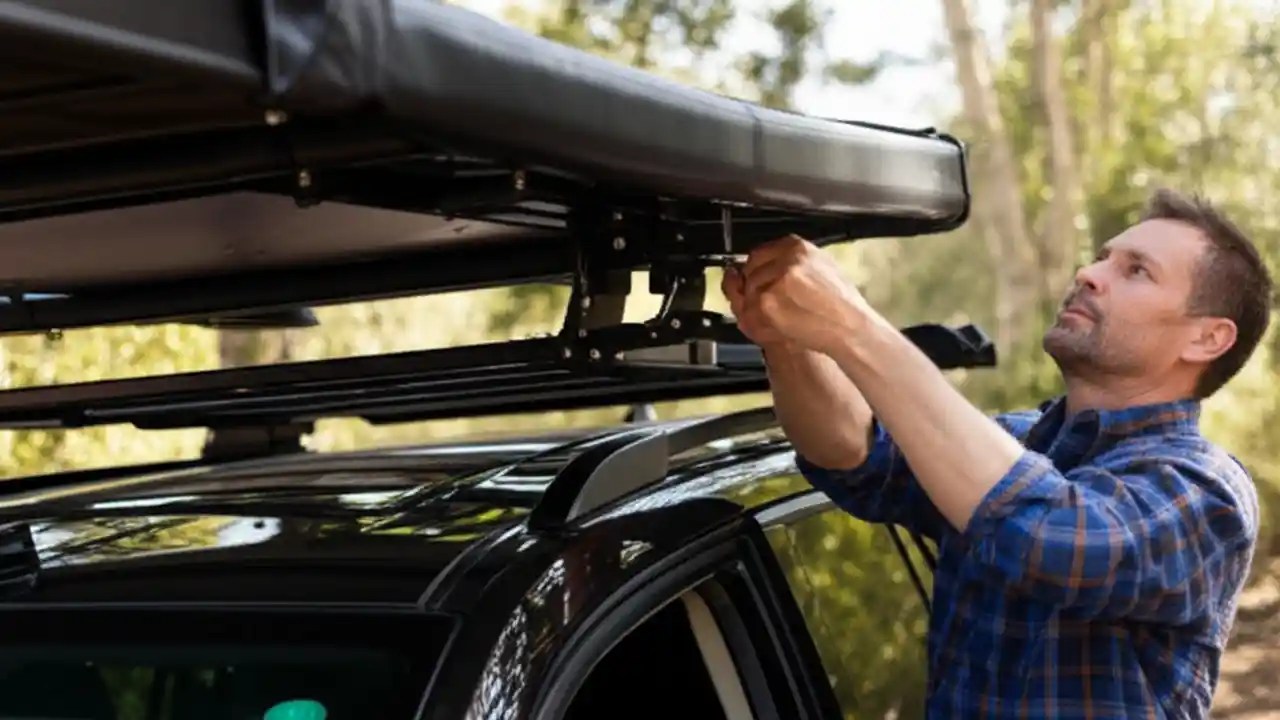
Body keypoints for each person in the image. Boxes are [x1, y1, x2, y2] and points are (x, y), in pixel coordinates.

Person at [722, 188, 1272, 719]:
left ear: (1207, 339)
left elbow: (1056, 540)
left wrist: (853, 327)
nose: (1088, 274)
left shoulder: (1206, 490)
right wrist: (785, 338)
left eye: (1135, 271)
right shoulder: (1014, 442)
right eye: (1101, 258)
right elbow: (856, 455)